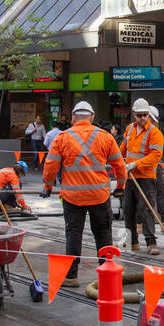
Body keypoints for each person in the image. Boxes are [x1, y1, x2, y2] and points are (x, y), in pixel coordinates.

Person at [41, 101, 126, 287]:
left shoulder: (62, 138)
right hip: (99, 196)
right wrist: (120, 186)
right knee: (103, 234)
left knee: (73, 234)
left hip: (73, 198)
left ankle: (71, 276)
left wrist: (47, 186)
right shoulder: (106, 137)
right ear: (92, 117)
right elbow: (120, 166)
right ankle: (107, 276)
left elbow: (50, 165)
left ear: (72, 118)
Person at [121, 98, 164, 255]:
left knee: (146, 209)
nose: (143, 118)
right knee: (128, 209)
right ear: (134, 115)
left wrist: (134, 165)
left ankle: (151, 243)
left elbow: (155, 156)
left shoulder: (155, 133)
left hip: (146, 177)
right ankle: (132, 241)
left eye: (145, 115)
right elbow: (123, 148)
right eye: (139, 115)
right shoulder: (130, 129)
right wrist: (119, 162)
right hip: (130, 177)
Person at [148, 105, 164, 222]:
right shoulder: (154, 132)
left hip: (148, 168)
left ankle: (141, 224)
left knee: (148, 196)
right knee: (157, 195)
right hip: (150, 168)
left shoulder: (140, 131)